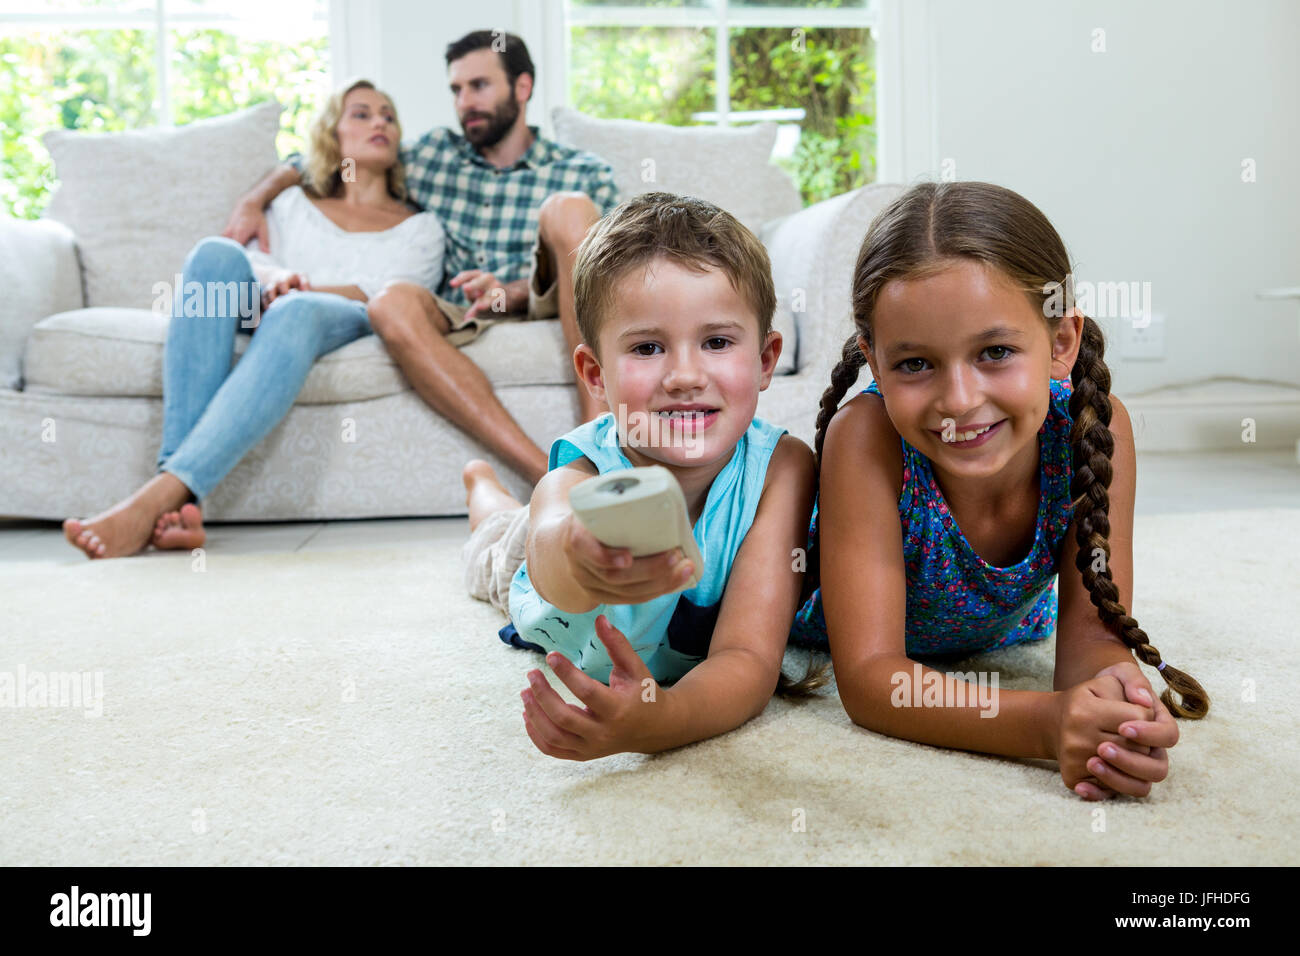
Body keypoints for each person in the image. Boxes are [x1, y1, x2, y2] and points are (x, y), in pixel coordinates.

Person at [788, 181, 1211, 799]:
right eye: (914, 364)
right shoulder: (867, 438)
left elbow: (1093, 642)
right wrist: (1044, 724)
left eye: (995, 352)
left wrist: (1115, 715)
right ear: (873, 361)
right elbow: (873, 679)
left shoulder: (1094, 429)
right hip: (828, 627)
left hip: (1003, 631)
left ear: (1061, 343)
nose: (958, 400)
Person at [460, 192, 820, 761]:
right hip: (524, 559)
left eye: (718, 342)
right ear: (595, 375)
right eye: (648, 347)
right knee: (495, 539)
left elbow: (748, 657)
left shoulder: (784, 468)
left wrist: (663, 719)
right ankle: (482, 488)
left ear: (766, 360)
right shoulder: (583, 467)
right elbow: (551, 545)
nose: (684, 375)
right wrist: (579, 554)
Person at [63, 80, 445, 559]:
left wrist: (299, 287)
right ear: (333, 133)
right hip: (274, 300)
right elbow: (251, 260)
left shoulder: (419, 225)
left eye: (388, 116)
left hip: (344, 317)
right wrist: (274, 277)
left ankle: (155, 498)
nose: (380, 123)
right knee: (215, 256)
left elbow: (395, 292)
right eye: (362, 114)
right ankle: (183, 507)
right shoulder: (290, 204)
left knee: (296, 308)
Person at [224, 30, 620, 486]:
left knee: (568, 207)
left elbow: (610, 268)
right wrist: (252, 201)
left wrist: (509, 293)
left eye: (479, 86)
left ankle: (598, 449)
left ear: (522, 88)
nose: (465, 101)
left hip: (546, 293)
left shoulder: (583, 169)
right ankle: (551, 479)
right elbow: (319, 158)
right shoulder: (432, 156)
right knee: (389, 301)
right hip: (459, 306)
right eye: (456, 89)